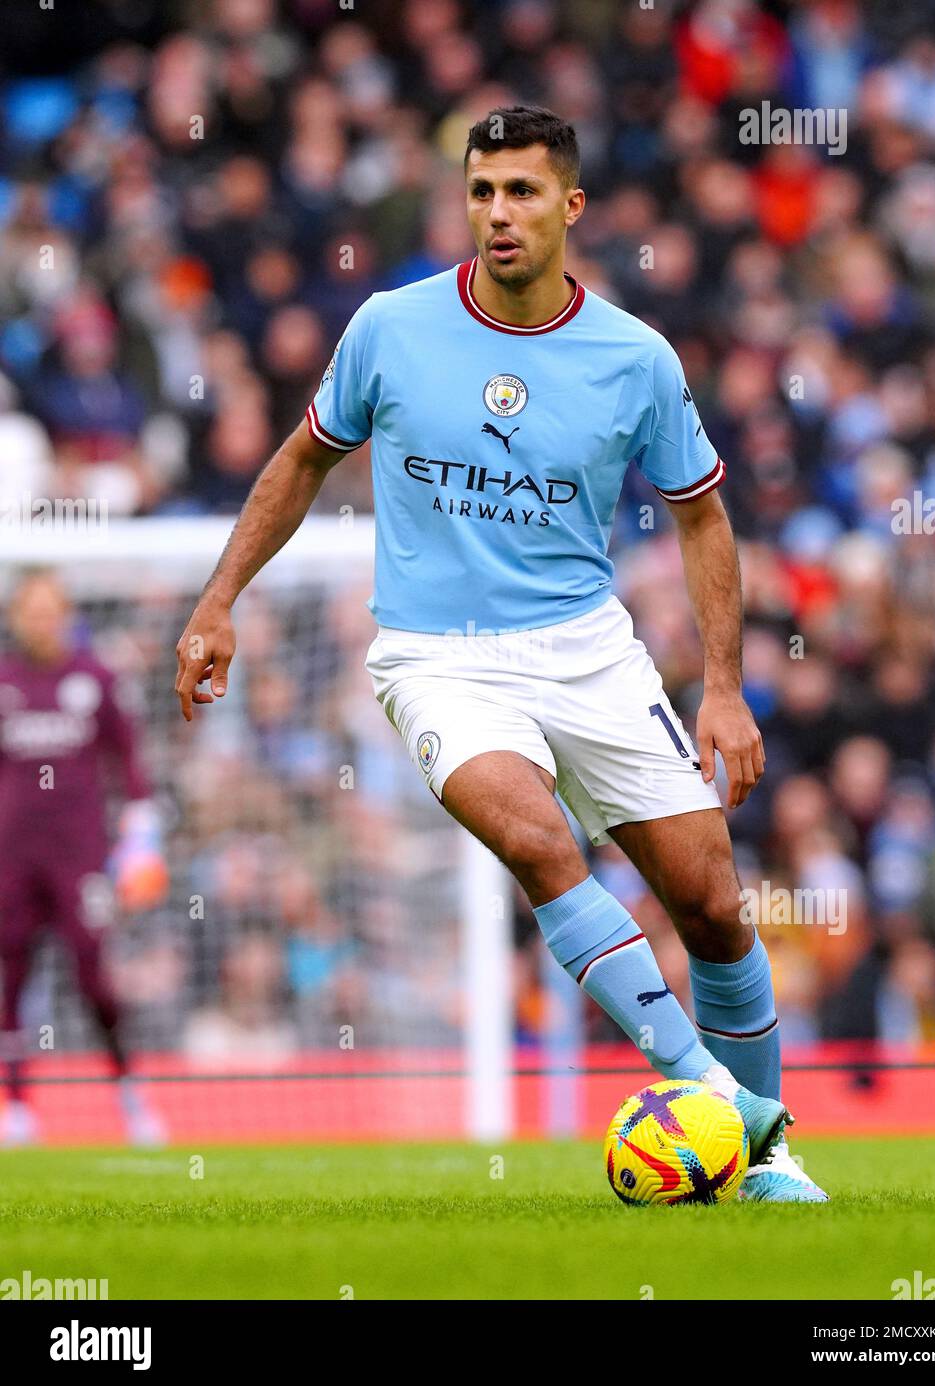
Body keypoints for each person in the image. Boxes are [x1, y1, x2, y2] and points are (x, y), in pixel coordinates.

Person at [175, 105, 826, 1201]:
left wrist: (724, 687)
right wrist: (220, 596)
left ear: (571, 207)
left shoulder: (635, 358)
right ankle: (733, 1116)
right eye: (481, 192)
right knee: (536, 839)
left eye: (522, 192)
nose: (498, 214)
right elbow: (300, 460)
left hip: (587, 650)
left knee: (712, 900)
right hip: (436, 654)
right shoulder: (390, 326)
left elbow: (704, 518)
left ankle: (760, 1154)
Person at [0, 570, 167, 1146]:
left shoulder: (94, 678)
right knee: (9, 977)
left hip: (80, 857)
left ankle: (128, 1091)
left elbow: (131, 761)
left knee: (92, 972)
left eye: (51, 608)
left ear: (66, 612)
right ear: (16, 616)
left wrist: (142, 834)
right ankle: (17, 1108)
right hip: (11, 858)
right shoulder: (4, 679)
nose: (41, 619)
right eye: (31, 609)